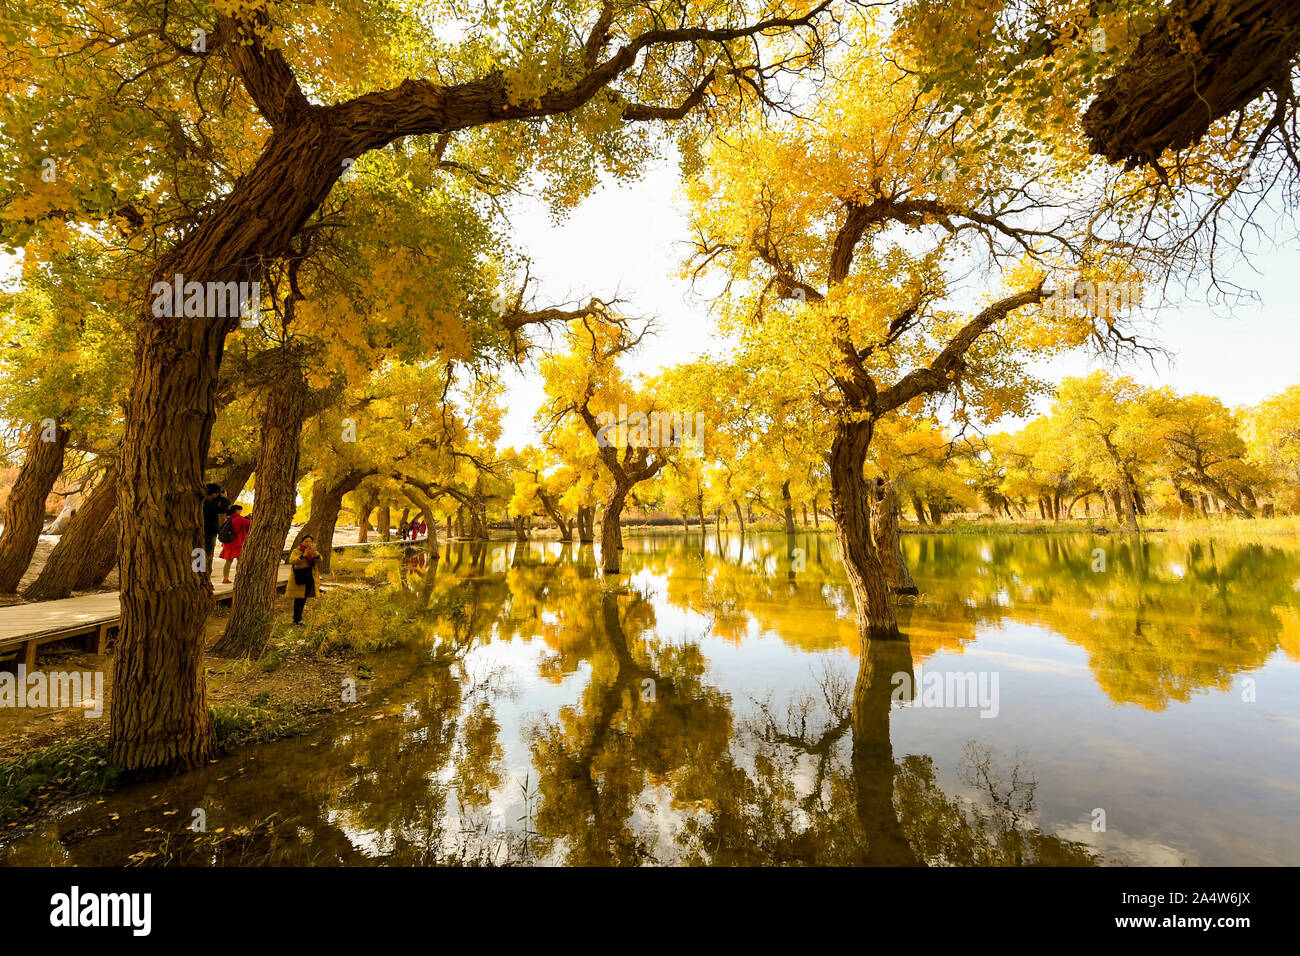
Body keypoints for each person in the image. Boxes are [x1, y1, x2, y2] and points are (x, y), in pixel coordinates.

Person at [288, 536, 321, 625]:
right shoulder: (296, 551)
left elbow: (320, 559)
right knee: (298, 598)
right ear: (302, 542)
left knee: (304, 599)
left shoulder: (313, 551)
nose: (308, 543)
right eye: (306, 541)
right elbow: (292, 561)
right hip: (300, 577)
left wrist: (316, 555)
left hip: (310, 578)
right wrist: (303, 556)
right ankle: (296, 619)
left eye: (310, 541)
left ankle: (299, 618)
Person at [218, 504, 251, 583]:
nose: (241, 511)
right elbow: (250, 523)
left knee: (228, 562)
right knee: (240, 561)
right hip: (236, 543)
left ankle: (225, 578)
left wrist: (245, 517)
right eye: (240, 510)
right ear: (237, 510)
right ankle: (239, 579)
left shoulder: (228, 518)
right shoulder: (239, 518)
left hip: (227, 543)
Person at [202, 483, 229, 572]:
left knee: (206, 553)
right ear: (215, 493)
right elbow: (222, 509)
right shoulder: (208, 503)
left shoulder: (205, 501)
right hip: (209, 531)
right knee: (207, 553)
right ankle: (204, 571)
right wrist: (224, 498)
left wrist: (222, 498)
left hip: (207, 530)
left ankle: (204, 570)